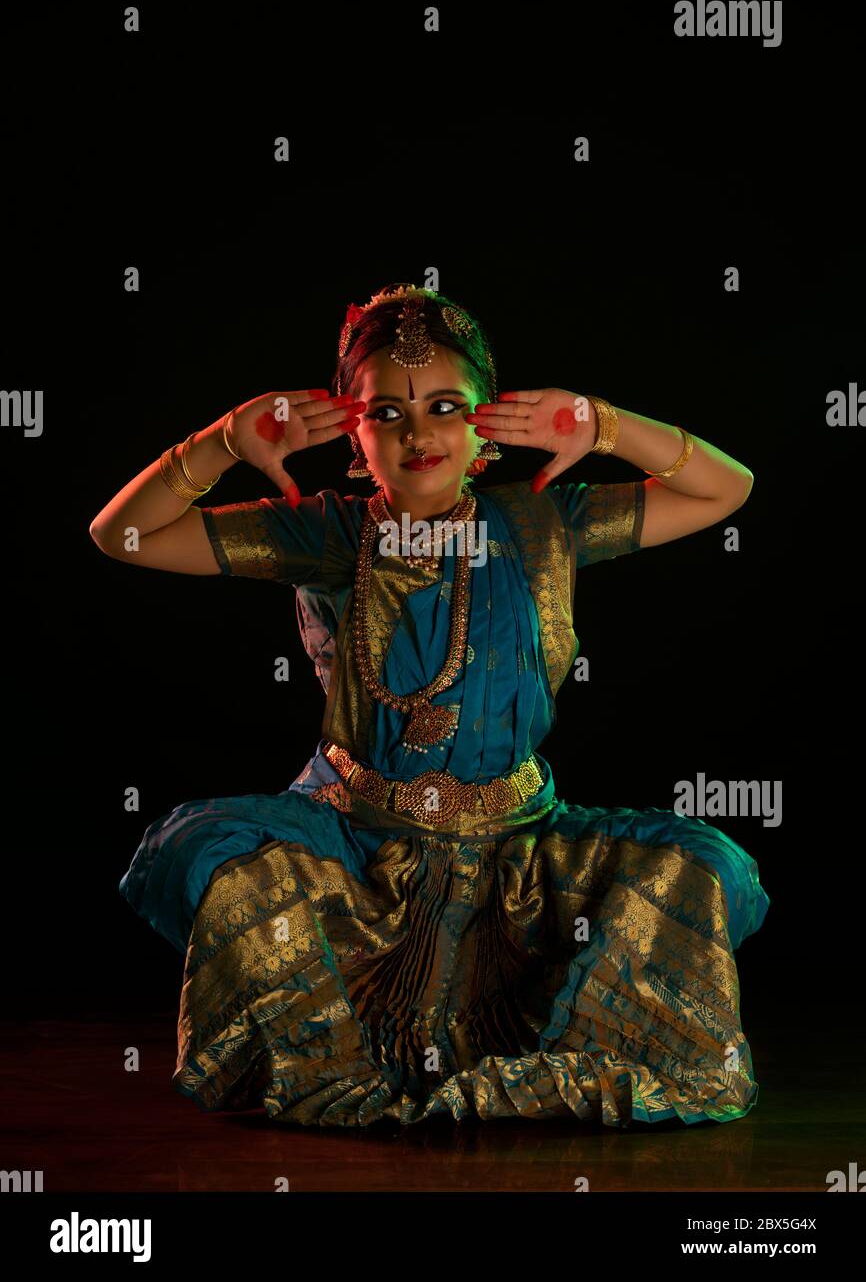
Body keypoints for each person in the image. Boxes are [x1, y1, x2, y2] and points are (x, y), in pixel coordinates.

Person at [93, 282, 770, 1128]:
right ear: (353, 438)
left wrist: (603, 426)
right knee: (224, 869)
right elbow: (123, 533)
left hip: (523, 863)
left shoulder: (542, 525)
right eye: (387, 413)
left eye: (446, 406)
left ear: (485, 429)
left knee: (698, 867)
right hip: (357, 853)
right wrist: (224, 442)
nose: (419, 433)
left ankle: (558, 1055)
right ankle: (331, 1062)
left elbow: (726, 489)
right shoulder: (327, 534)